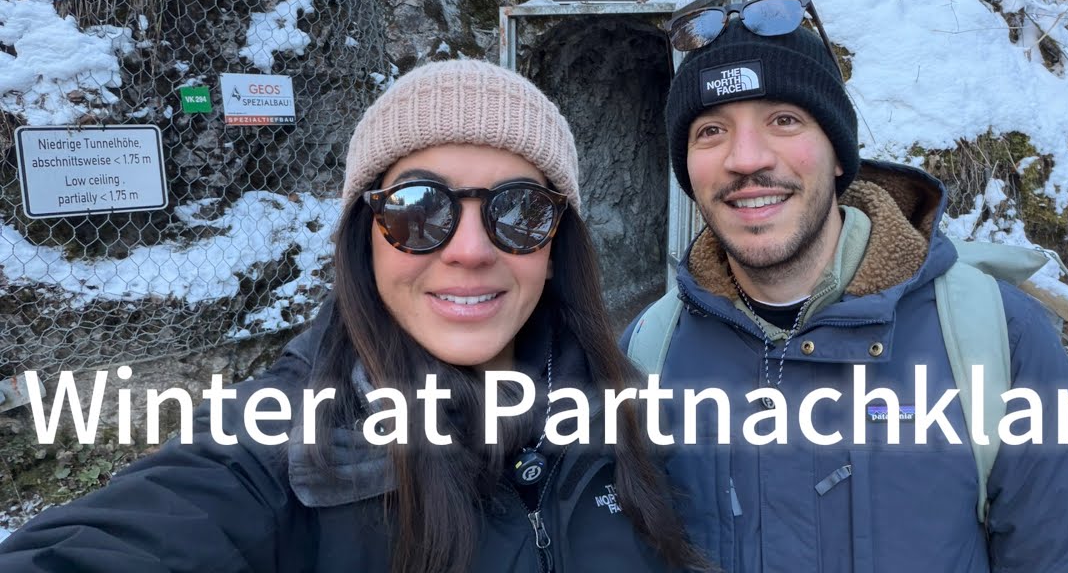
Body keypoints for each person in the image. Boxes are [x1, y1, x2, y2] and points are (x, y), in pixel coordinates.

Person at [0, 59, 708, 573]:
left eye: (518, 212)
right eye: (417, 209)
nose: (468, 251)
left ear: (556, 247)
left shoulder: (628, 414)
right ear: (363, 241)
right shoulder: (285, 444)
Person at [622, 0, 1068, 572]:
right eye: (711, 131)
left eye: (784, 121)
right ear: (687, 169)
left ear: (839, 156)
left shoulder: (992, 337)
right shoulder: (649, 352)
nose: (745, 159)